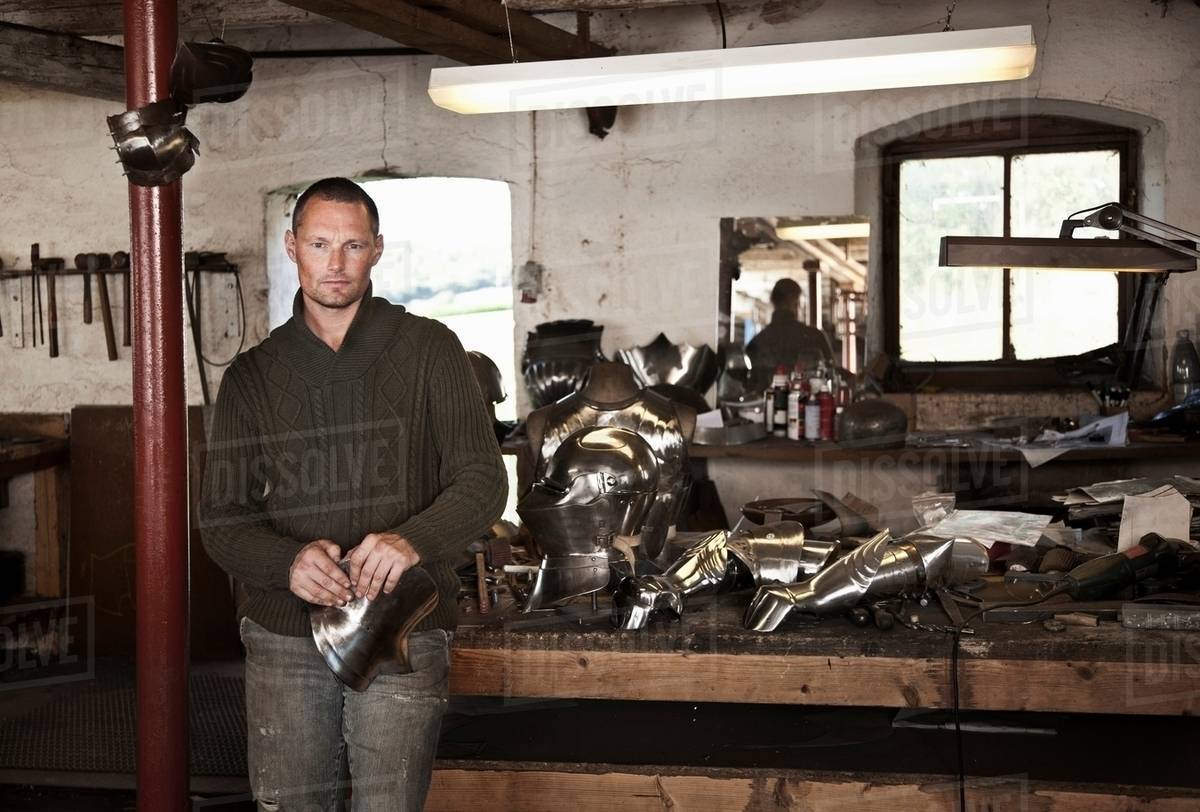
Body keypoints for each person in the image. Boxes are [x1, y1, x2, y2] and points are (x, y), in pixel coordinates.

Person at [199, 177, 507, 811]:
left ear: (378, 249)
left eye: (353, 245)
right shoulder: (252, 375)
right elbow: (222, 520)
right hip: (285, 633)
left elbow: (483, 480)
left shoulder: (431, 348)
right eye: (319, 244)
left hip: (405, 623)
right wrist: (286, 562)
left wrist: (411, 540)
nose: (335, 263)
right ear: (292, 247)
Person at [745, 277, 834, 392]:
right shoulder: (815, 337)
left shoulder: (755, 343)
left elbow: (751, 387)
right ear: (795, 301)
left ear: (773, 301)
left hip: (767, 402)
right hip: (809, 402)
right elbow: (832, 376)